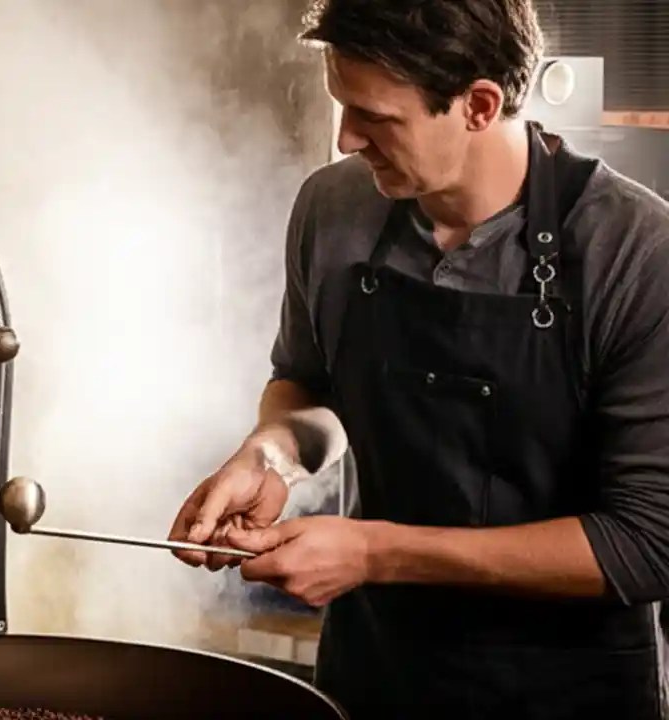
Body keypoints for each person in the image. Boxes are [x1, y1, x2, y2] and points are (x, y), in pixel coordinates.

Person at [168, 0, 669, 717]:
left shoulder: (635, 252)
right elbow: (309, 382)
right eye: (340, 105)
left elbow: (645, 543)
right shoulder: (332, 210)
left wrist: (372, 553)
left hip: (566, 690)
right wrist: (273, 454)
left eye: (374, 116)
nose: (344, 139)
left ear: (478, 105)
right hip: (377, 677)